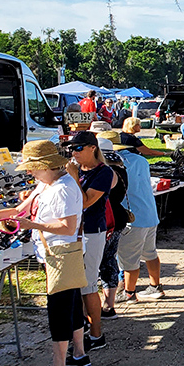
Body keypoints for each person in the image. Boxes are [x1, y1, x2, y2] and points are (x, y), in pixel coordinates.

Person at [0, 141, 89, 366]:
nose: (28, 172)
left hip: (61, 253)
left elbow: (67, 227)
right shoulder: (46, 184)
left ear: (45, 165)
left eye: (32, 168)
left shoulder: (63, 188)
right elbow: (19, 210)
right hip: (58, 253)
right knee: (72, 303)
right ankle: (79, 355)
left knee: (59, 309)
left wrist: (33, 226)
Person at [63, 131, 114, 352]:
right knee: (77, 283)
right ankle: (83, 326)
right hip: (74, 232)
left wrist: (73, 176)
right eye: (71, 149)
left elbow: (85, 203)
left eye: (78, 148)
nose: (74, 153)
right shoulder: (77, 169)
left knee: (89, 284)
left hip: (93, 231)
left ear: (92, 148)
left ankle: (96, 334)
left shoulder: (103, 173)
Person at [113, 136, 165, 302]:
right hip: (149, 213)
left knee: (129, 260)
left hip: (132, 216)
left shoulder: (117, 163)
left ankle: (128, 293)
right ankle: (155, 286)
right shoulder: (141, 161)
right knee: (150, 253)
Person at [95, 133, 129, 319]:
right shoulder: (120, 167)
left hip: (106, 221)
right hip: (117, 218)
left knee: (100, 263)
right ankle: (109, 305)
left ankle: (100, 306)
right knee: (109, 261)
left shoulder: (106, 172)